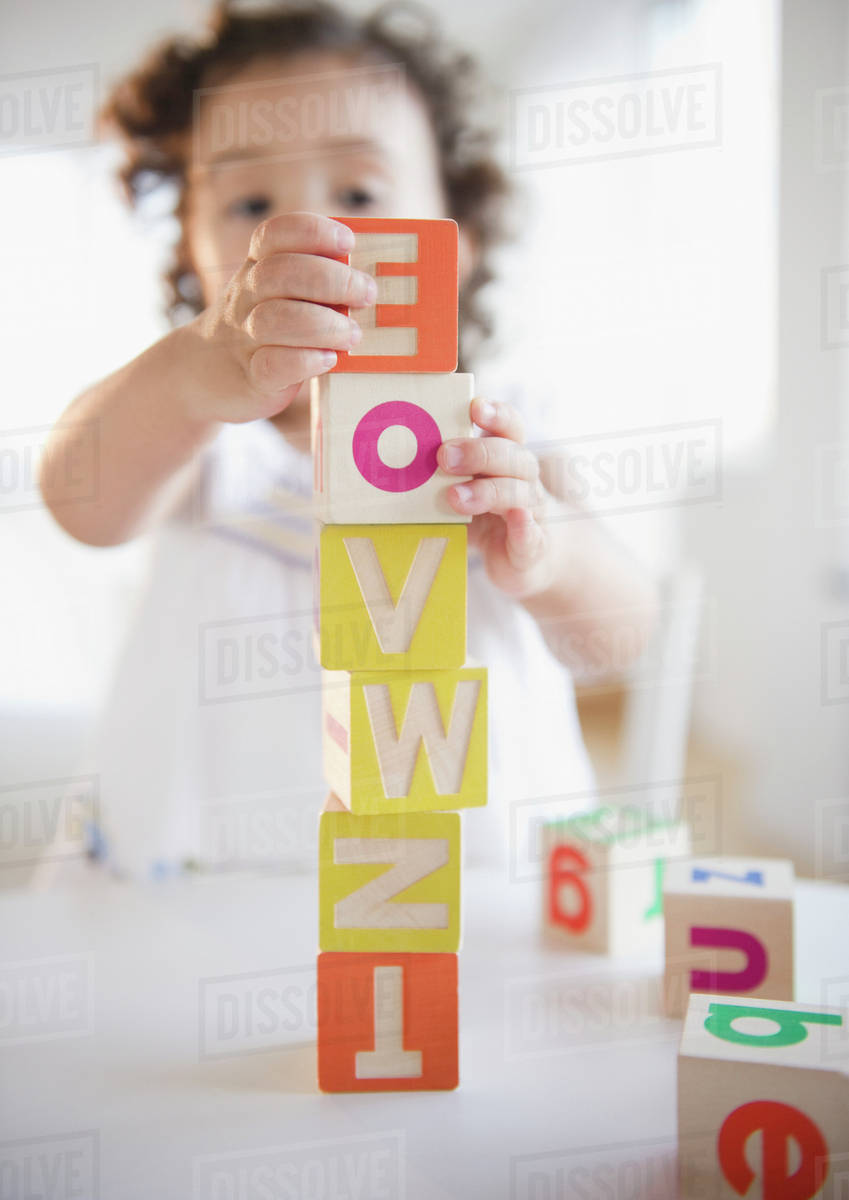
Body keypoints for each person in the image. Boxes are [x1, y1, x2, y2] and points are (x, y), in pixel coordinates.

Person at [39, 0, 657, 879]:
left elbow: (618, 638)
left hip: (464, 886)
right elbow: (81, 505)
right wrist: (182, 374)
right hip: (209, 889)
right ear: (192, 252)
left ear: (458, 243)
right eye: (250, 200)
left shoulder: (501, 423)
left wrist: (548, 564)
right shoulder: (199, 432)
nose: (310, 238)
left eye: (359, 194)